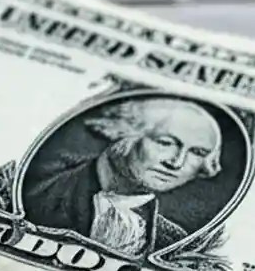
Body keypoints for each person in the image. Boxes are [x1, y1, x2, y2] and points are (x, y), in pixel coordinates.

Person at [23, 97, 223, 256]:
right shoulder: (40, 192)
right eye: (165, 143)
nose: (176, 163)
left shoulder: (172, 240)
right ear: (123, 134)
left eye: (197, 152)